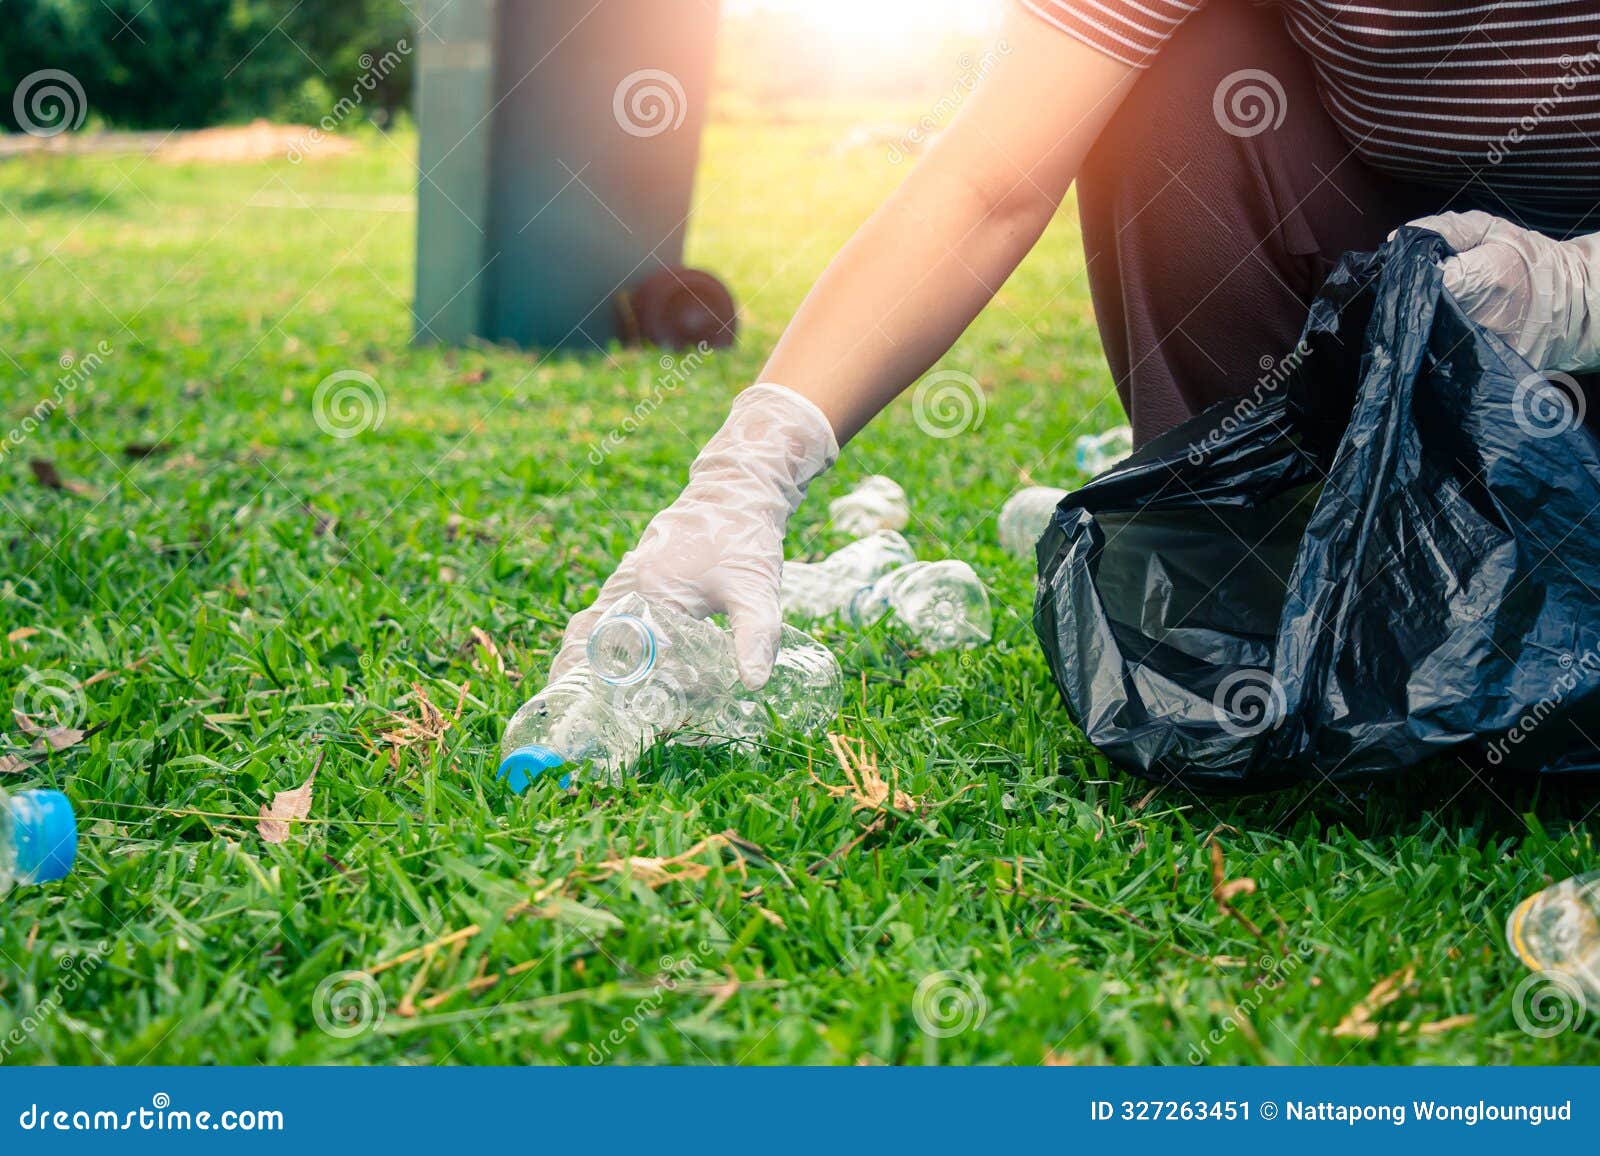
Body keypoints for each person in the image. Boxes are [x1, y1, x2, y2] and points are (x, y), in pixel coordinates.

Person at [554, 0, 1600, 690]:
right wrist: (751, 463)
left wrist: (1574, 291)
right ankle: (1270, 563)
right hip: (1395, 271)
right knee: (1181, 78)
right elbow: (988, 180)